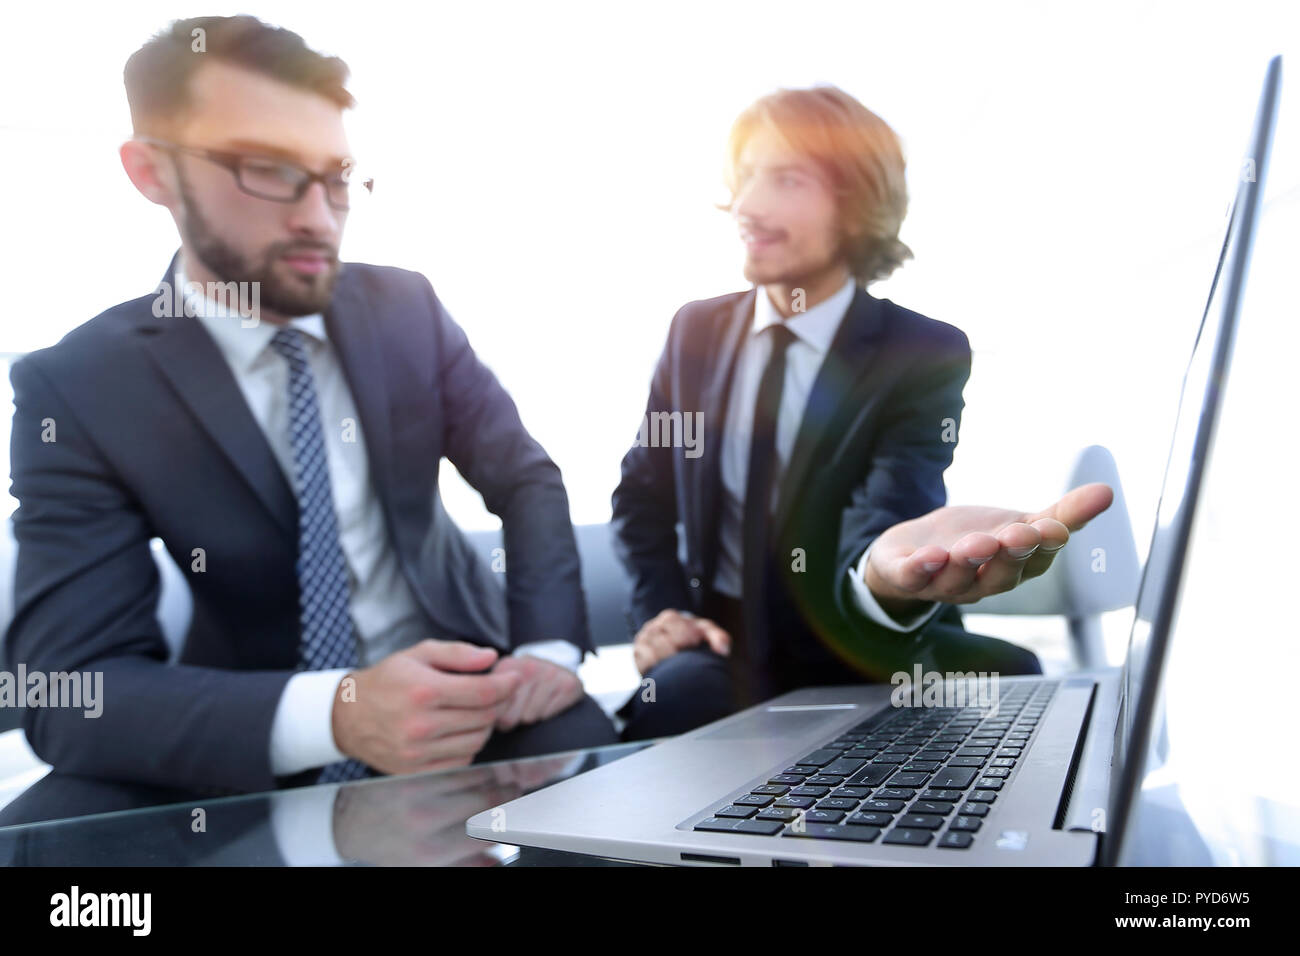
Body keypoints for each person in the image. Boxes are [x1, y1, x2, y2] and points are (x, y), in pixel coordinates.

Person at [0, 15, 615, 827]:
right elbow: (70, 690)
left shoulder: (408, 309)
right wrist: (339, 713)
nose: (321, 219)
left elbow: (525, 478)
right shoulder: (80, 385)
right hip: (255, 717)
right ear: (150, 170)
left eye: (336, 177)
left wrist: (547, 652)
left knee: (603, 805)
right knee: (43, 842)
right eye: (268, 169)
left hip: (477, 693)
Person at [612, 85, 1112, 739]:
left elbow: (887, 508)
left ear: (857, 203)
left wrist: (883, 578)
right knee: (668, 701)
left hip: (865, 642)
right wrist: (666, 614)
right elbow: (642, 500)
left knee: (1022, 702)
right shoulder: (695, 333)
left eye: (785, 179)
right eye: (746, 178)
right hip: (725, 652)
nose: (747, 205)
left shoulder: (922, 351)